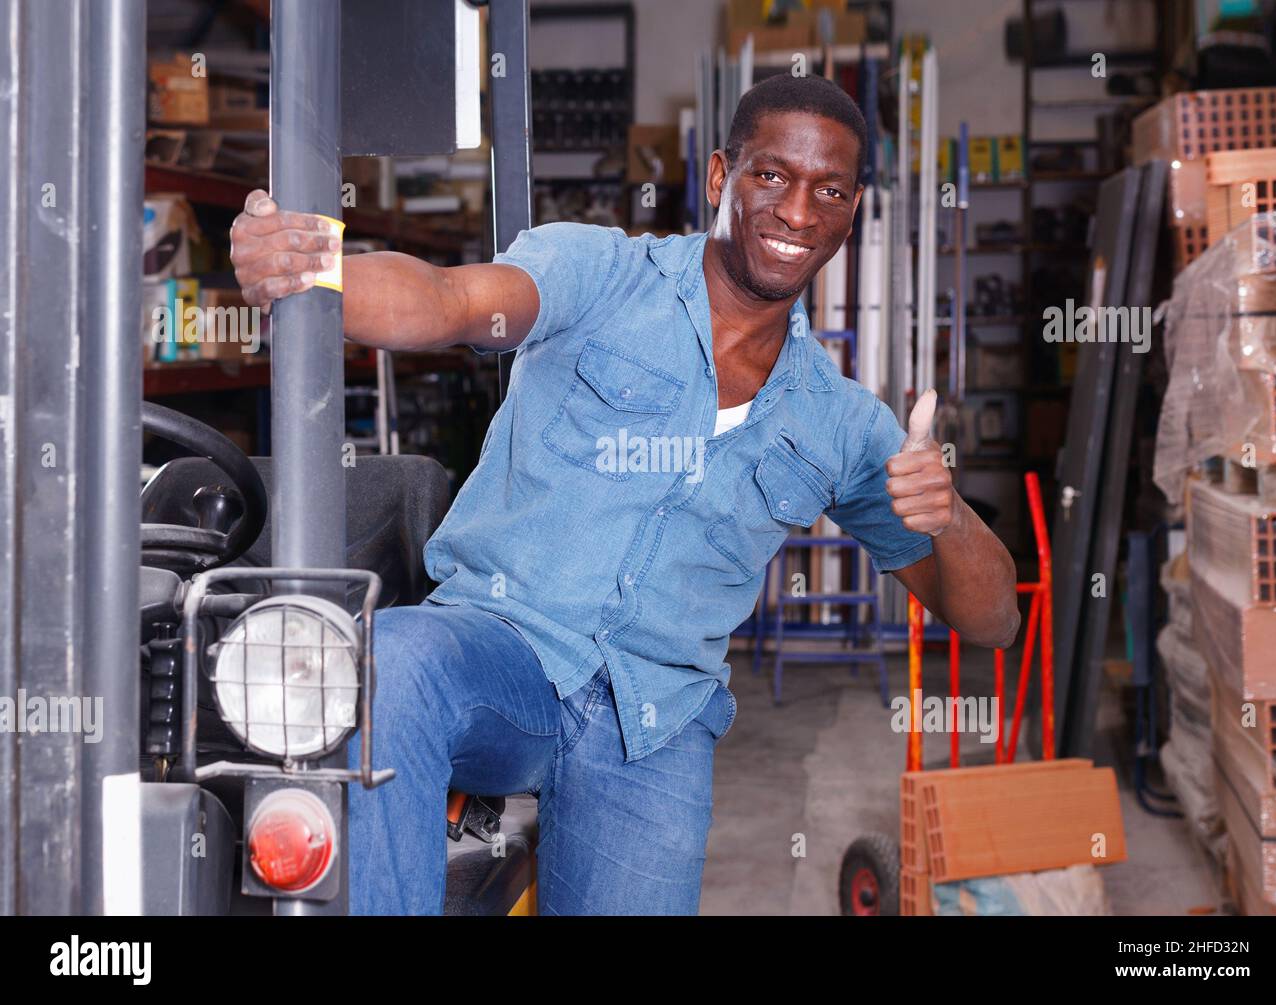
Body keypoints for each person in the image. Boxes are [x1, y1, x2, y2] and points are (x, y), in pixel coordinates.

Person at [230, 73, 1020, 915]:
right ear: (721, 178)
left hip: (655, 726)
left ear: (851, 209)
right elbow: (447, 300)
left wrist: (949, 512)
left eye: (827, 189)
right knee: (389, 662)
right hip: (507, 654)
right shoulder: (602, 273)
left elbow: (993, 618)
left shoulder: (843, 423)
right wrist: (312, 263)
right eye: (771, 176)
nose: (797, 212)